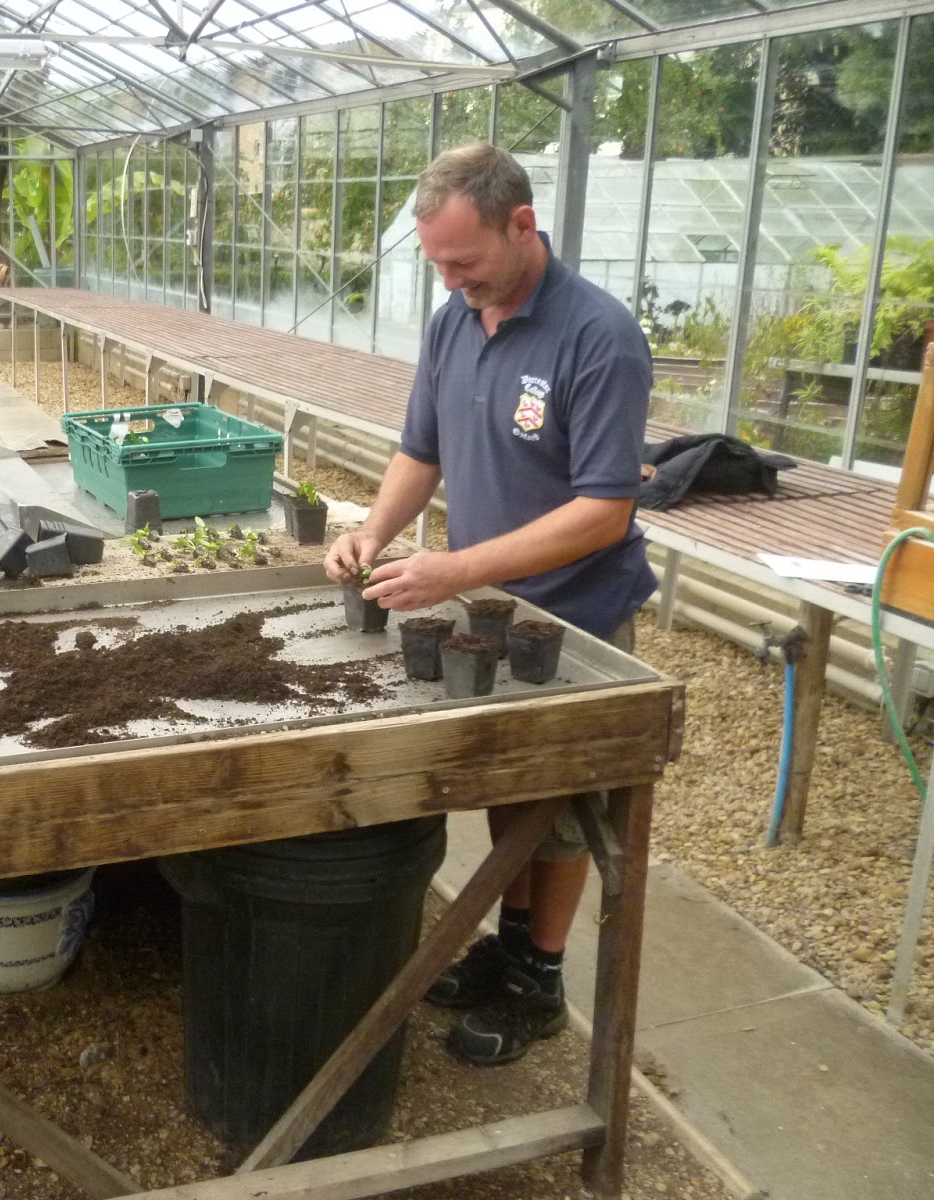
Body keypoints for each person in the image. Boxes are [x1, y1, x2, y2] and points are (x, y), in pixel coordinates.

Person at [324, 143, 657, 1065]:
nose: (451, 277)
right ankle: (507, 950)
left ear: (522, 225)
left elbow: (602, 511)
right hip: (486, 599)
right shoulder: (453, 320)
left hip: (573, 611)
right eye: (437, 262)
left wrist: (457, 568)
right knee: (511, 793)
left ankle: (540, 978)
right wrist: (378, 533)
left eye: (463, 260)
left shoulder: (597, 336)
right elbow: (419, 449)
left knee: (564, 803)